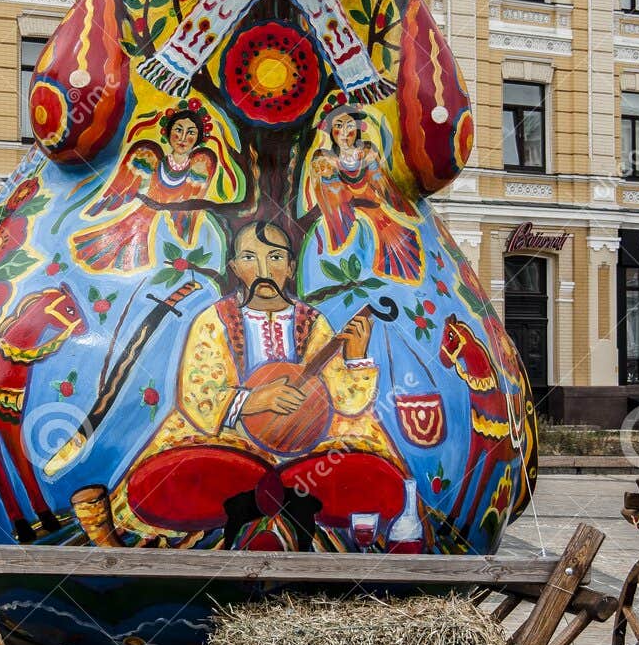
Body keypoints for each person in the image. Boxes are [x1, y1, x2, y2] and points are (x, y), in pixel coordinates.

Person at [117, 217, 411, 547]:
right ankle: (271, 502)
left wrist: (356, 357)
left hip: (309, 448)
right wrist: (253, 401)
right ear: (233, 267)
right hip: (233, 442)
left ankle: (275, 501)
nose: (263, 269)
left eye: (274, 257)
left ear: (290, 265)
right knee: (166, 479)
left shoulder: (313, 323)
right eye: (249, 258)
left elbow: (348, 403)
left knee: (375, 476)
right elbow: (197, 393)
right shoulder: (214, 320)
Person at [71, 100, 221, 273]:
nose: (182, 138)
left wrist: (168, 209)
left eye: (191, 133)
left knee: (146, 244)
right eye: (178, 130)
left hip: (158, 219)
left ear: (198, 139)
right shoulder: (151, 156)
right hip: (141, 211)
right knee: (122, 233)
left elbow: (190, 205)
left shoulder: (200, 165)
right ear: (168, 132)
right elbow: (128, 186)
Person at [306, 97, 424, 282]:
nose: (345, 132)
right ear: (331, 131)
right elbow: (331, 196)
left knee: (400, 239)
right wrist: (328, 176)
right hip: (350, 212)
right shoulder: (325, 158)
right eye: (339, 125)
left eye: (350, 126)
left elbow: (383, 186)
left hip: (376, 209)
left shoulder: (367, 152)